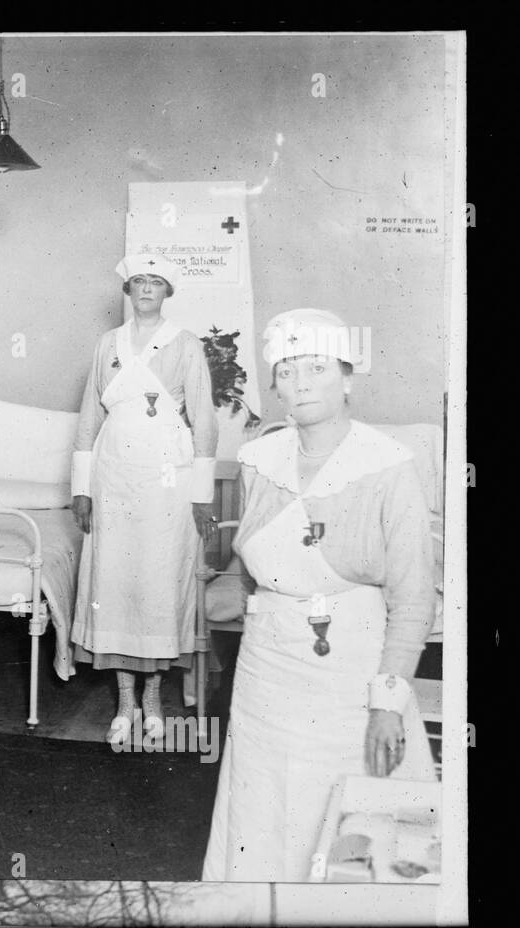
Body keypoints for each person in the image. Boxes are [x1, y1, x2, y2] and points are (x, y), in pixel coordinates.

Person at [201, 309, 437, 882]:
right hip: (267, 671)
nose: (302, 382)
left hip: (354, 676)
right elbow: (248, 573)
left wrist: (386, 703)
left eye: (318, 367)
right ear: (275, 383)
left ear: (347, 378)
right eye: (287, 370)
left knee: (355, 829)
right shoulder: (259, 460)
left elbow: (412, 600)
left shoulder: (387, 466)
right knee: (262, 812)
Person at [70, 254, 218, 745]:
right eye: (138, 281)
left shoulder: (185, 344)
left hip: (165, 480)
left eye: (155, 282)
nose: (146, 289)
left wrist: (200, 494)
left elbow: (204, 419)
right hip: (113, 475)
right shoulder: (107, 344)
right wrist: (81, 486)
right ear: (128, 290)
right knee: (116, 582)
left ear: (167, 291)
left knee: (156, 580)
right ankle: (125, 700)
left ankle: (153, 696)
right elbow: (90, 417)